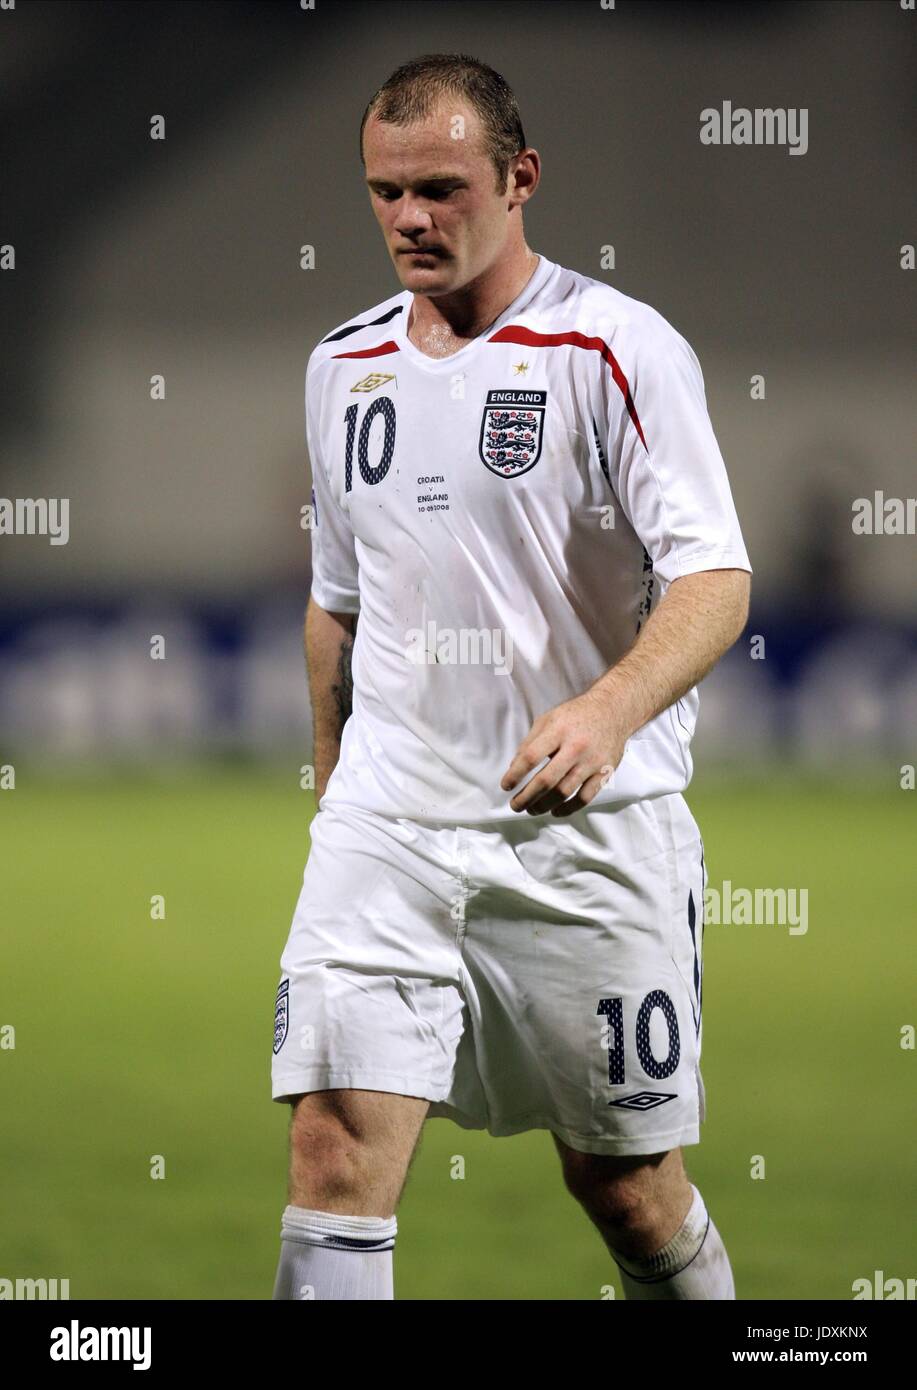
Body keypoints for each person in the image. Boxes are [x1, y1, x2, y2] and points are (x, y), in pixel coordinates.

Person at [271, 52, 751, 1301]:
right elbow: (336, 607)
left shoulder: (615, 348)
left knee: (628, 1189)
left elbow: (715, 579)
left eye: (437, 186)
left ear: (519, 178)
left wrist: (604, 710)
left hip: (585, 844)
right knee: (330, 1150)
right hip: (391, 836)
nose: (408, 219)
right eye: (384, 192)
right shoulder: (341, 365)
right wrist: (337, 801)